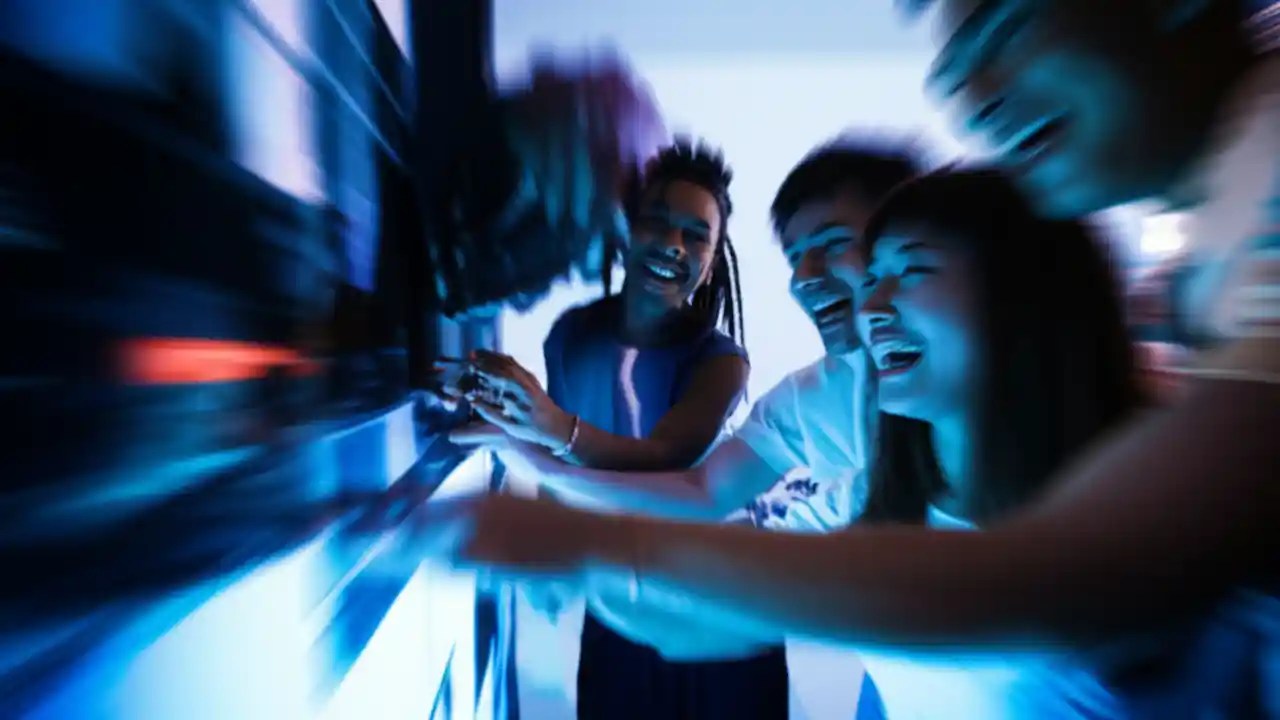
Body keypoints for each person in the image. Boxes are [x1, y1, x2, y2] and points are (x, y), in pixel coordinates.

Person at [406, 1, 1278, 716]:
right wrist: (536, 486)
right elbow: (711, 523)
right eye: (801, 259)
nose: (857, 296)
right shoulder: (879, 473)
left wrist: (589, 526)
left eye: (1008, 28)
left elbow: (1072, 575)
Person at [480, 168, 1148, 718]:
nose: (871, 303)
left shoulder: (1132, 518)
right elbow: (711, 541)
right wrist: (543, 499)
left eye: (909, 269)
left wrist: (556, 482)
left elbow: (678, 472)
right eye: (872, 274)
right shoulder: (872, 489)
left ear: (1019, 298)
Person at [456, 137, 790, 720]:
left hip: (726, 607)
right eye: (656, 221)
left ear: (713, 261)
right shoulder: (572, 335)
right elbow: (569, 472)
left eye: (696, 235)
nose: (673, 243)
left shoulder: (720, 361)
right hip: (618, 606)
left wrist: (547, 427)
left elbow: (665, 457)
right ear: (625, 229)